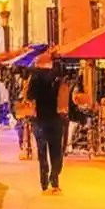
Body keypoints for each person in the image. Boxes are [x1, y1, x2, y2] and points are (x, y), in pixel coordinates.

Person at [25, 54, 67, 193]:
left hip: (40, 119)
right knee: (56, 151)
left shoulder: (35, 77)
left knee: (42, 152)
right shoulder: (59, 77)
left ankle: (44, 182)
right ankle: (54, 179)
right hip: (56, 118)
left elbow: (30, 96)